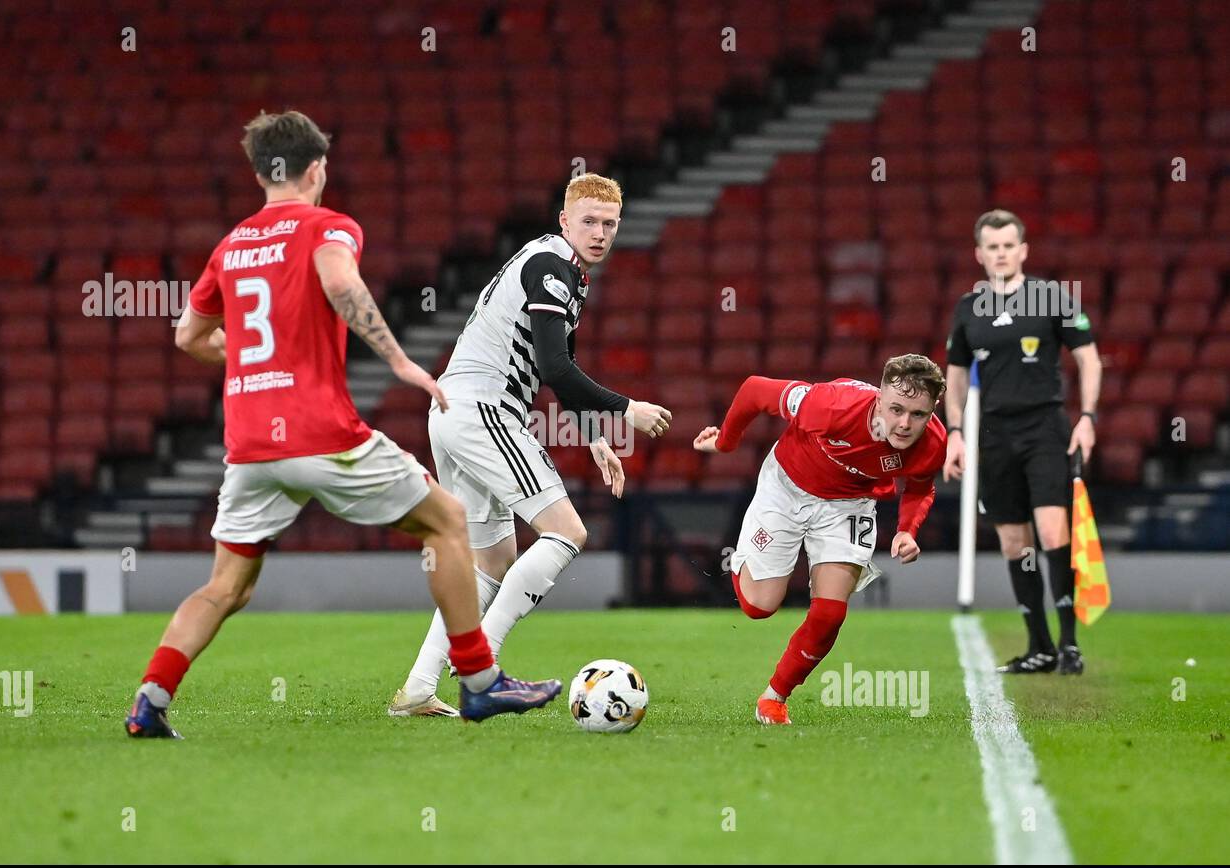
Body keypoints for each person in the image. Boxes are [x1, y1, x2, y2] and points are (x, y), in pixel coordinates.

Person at [125, 110, 560, 738]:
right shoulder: (327, 226)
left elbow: (188, 335)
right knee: (447, 520)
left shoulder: (233, 244)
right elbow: (339, 283)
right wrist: (400, 360)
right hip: (321, 432)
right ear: (318, 168)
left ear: (259, 172)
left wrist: (253, 361)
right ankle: (479, 682)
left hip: (250, 445)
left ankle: (150, 701)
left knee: (226, 587)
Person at [389, 173, 673, 716]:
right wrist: (624, 410)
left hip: (453, 412)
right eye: (588, 221)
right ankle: (484, 671)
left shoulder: (556, 269)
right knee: (567, 532)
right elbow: (554, 366)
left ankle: (419, 690)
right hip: (483, 408)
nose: (600, 232)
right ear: (564, 221)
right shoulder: (552, 267)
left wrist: (592, 436)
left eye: (609, 224)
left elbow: (557, 368)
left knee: (493, 559)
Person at [694, 355, 947, 725]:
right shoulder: (831, 404)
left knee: (830, 614)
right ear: (879, 397)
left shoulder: (932, 443)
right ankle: (744, 555)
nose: (905, 424)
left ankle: (774, 698)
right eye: (896, 409)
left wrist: (908, 529)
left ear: (933, 410)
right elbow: (753, 390)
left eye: (918, 414)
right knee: (759, 606)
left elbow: (921, 488)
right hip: (787, 486)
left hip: (848, 506)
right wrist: (727, 443)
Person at [942, 209, 1102, 675]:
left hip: (1045, 427)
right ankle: (1040, 646)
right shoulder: (968, 307)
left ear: (1023, 250)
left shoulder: (1053, 297)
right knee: (1015, 542)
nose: (1001, 253)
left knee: (1053, 532)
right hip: (993, 432)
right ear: (979, 254)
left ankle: (1070, 643)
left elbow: (1089, 360)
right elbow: (954, 378)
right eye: (992, 247)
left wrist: (1087, 418)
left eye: (1008, 245)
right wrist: (955, 431)